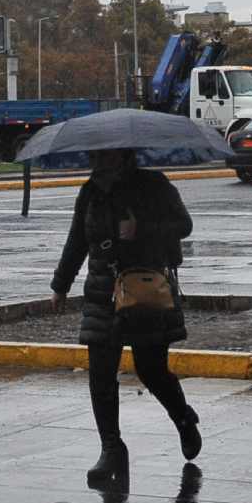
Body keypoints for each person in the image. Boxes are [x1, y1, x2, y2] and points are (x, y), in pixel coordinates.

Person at [51, 148, 201, 484]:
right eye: (94, 155)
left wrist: (142, 229)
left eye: (104, 154)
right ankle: (111, 449)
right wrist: (60, 285)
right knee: (101, 375)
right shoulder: (90, 192)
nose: (97, 160)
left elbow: (183, 225)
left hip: (144, 289)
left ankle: (182, 418)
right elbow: (77, 239)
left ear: (122, 155)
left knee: (151, 370)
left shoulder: (153, 184)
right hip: (102, 293)